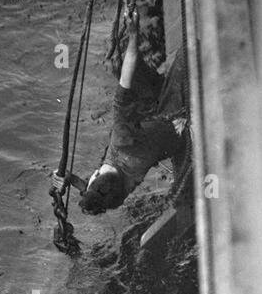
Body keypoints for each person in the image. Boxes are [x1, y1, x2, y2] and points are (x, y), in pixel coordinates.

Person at [79, 13, 187, 215]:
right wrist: (134, 35)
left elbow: (97, 194)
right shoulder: (121, 139)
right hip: (171, 120)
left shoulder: (116, 197)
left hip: (168, 142)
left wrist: (69, 179)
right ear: (94, 175)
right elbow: (126, 76)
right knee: (186, 53)